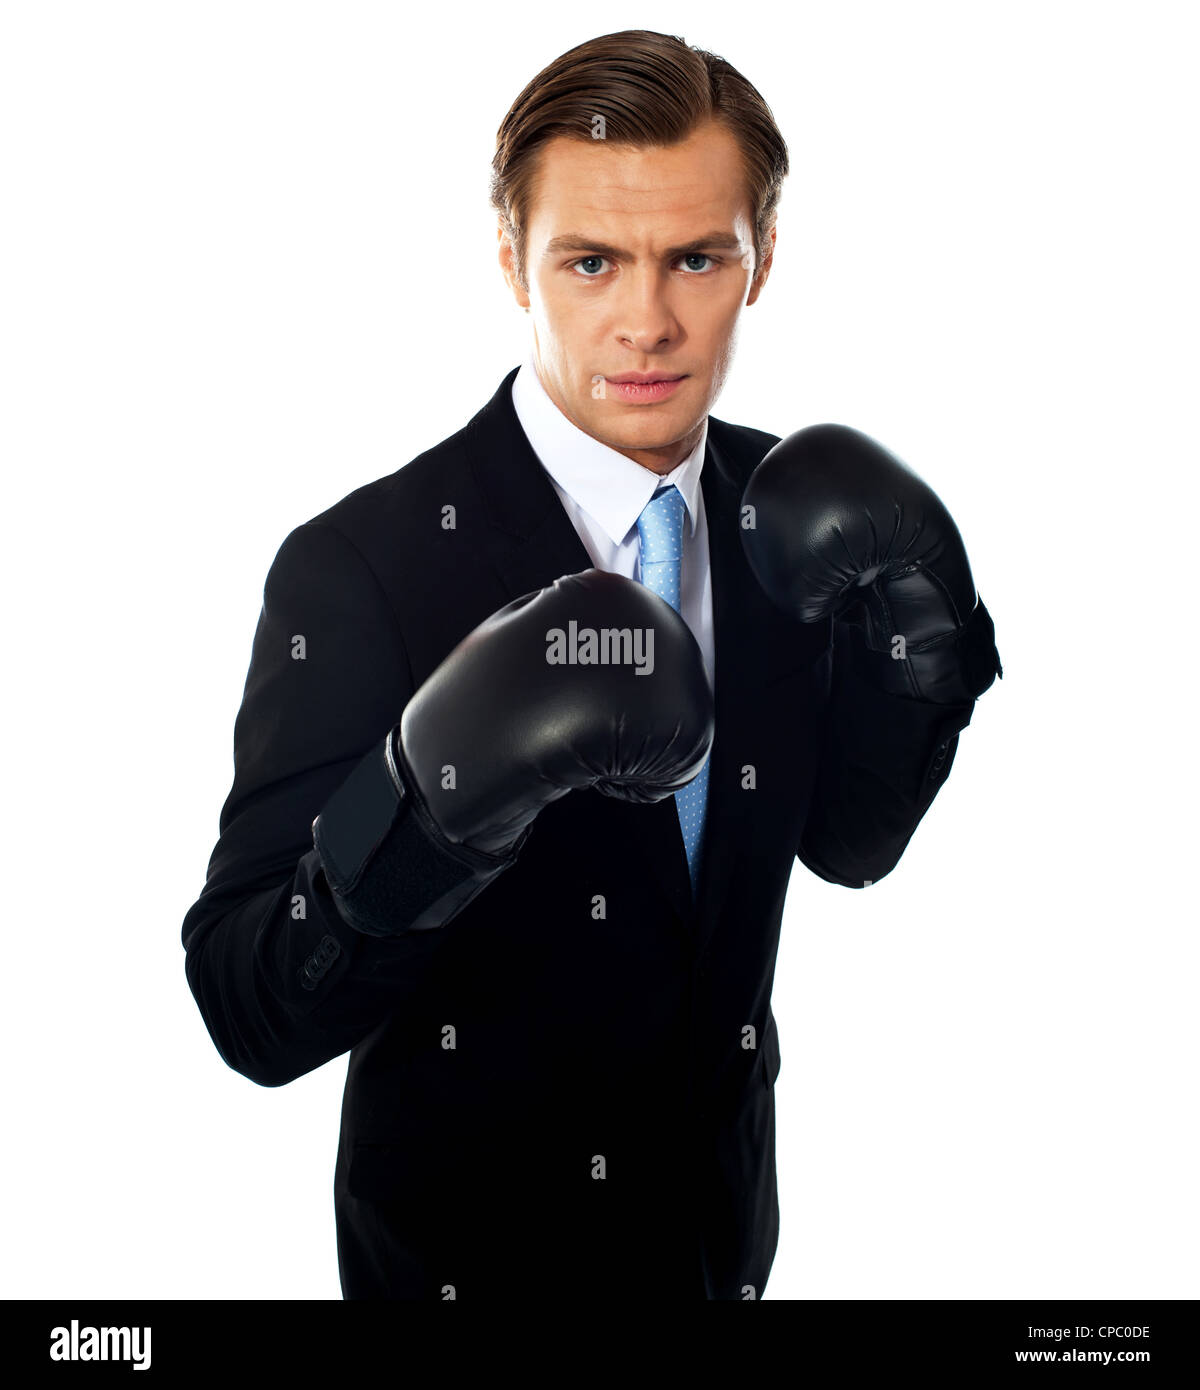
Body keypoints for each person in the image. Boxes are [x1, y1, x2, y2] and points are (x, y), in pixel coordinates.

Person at [181, 28, 1001, 1301]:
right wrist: (428, 807)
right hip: (461, 1271)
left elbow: (849, 840)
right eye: (591, 260)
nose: (648, 320)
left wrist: (925, 654)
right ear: (512, 259)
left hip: (721, 1248)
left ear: (761, 259)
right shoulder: (364, 565)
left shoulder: (794, 519)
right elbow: (252, 1007)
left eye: (696, 257)